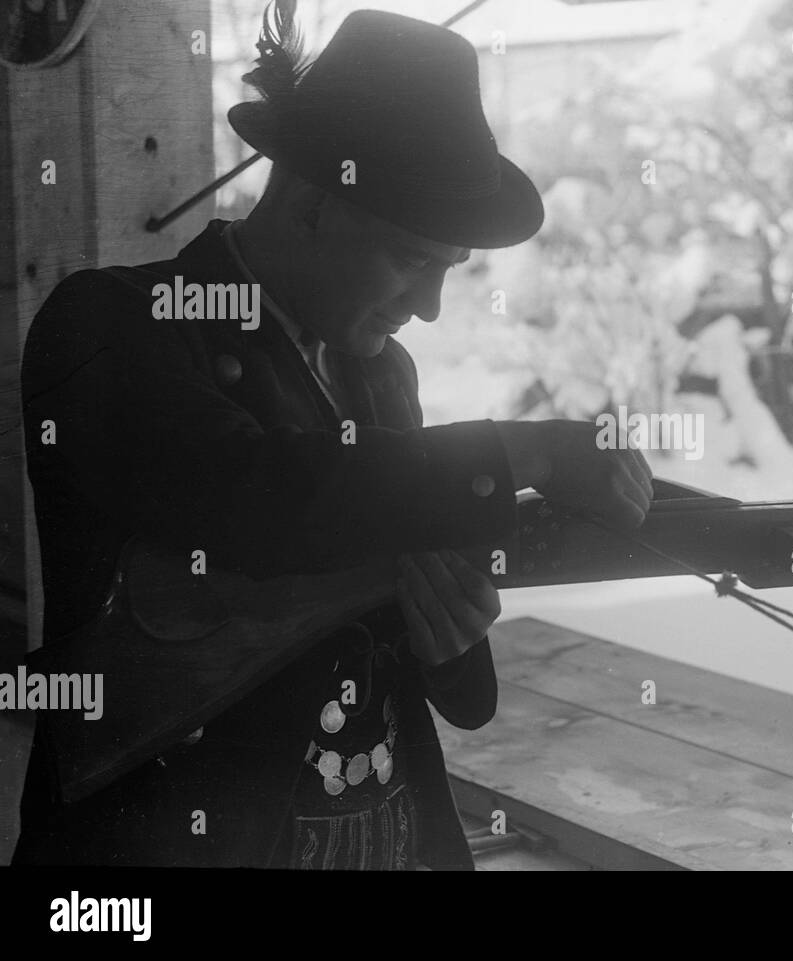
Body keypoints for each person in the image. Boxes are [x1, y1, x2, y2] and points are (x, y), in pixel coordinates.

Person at [13, 7, 652, 869]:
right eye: (409, 259)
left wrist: (454, 643)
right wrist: (526, 450)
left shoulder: (383, 375)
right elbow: (254, 497)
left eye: (447, 270)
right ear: (314, 204)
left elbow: (437, 672)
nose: (427, 307)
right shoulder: (110, 322)